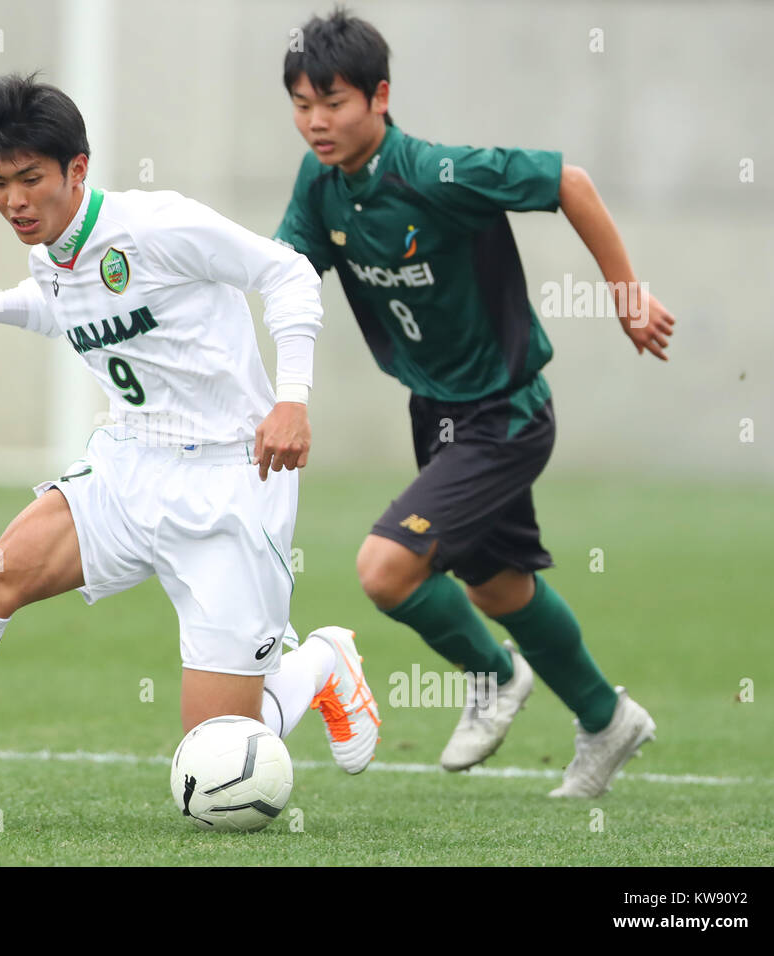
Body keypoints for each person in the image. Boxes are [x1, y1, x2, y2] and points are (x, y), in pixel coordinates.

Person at [0, 72, 379, 821]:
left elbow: (288, 272)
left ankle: (321, 661)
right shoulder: (50, 249)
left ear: (77, 169)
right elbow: (65, 306)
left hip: (230, 484)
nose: (13, 201)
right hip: (128, 466)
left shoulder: (157, 226)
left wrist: (292, 399)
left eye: (30, 179)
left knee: (220, 755)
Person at [274, 10, 675, 797]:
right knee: (497, 586)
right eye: (300, 103)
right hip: (436, 414)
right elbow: (285, 273)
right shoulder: (320, 187)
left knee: (385, 571)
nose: (316, 121)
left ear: (380, 97)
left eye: (334, 101)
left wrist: (627, 294)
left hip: (506, 412)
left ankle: (494, 674)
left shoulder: (437, 174)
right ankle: (606, 717)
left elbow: (570, 182)